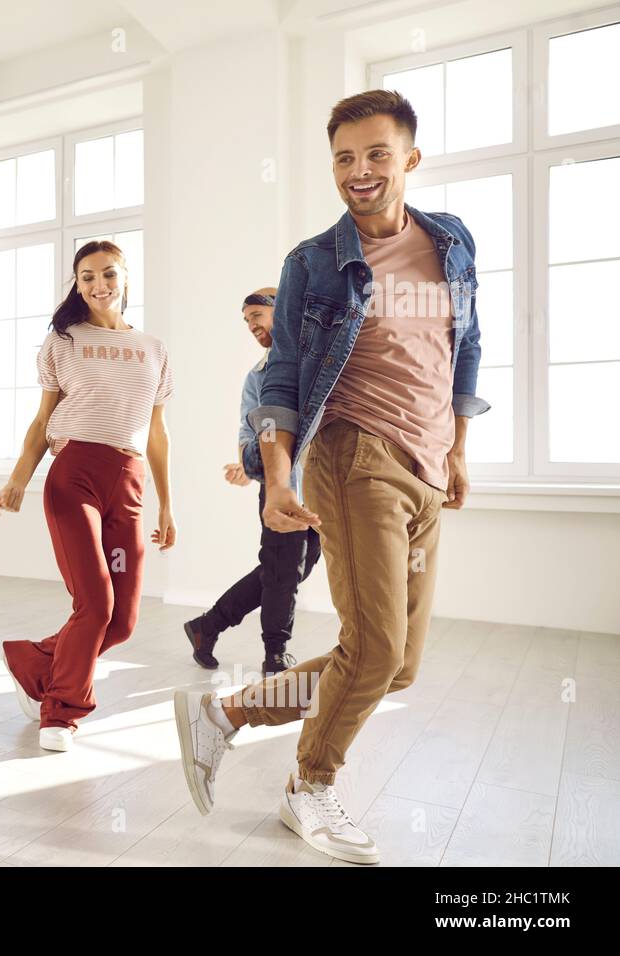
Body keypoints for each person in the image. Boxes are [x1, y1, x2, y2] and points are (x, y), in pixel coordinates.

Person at [173, 90, 490, 864]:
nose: (360, 171)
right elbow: (280, 379)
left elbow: (467, 343)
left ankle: (227, 715)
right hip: (355, 459)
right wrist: (278, 478)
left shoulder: (451, 242)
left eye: (377, 154)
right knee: (374, 648)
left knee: (397, 665)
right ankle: (308, 787)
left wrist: (456, 448)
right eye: (345, 158)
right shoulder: (313, 263)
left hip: (424, 462)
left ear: (409, 160)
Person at [0, 240, 175, 752]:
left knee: (120, 622)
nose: (99, 285)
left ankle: (33, 658)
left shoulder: (153, 348)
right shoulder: (63, 341)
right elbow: (42, 419)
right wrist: (17, 479)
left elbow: (158, 433)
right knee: (94, 604)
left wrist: (167, 504)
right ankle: (61, 713)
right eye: (87, 276)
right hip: (74, 473)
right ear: (77, 283)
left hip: (130, 478)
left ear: (126, 278)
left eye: (109, 275)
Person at [183, 288, 321, 677]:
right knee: (283, 570)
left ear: (285, 310)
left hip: (320, 486)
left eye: (257, 315)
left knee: (291, 568)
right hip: (282, 486)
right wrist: (250, 464)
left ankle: (206, 626)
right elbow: (249, 435)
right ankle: (275, 654)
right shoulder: (256, 378)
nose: (251, 325)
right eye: (246, 320)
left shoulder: (315, 364)